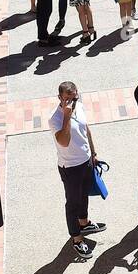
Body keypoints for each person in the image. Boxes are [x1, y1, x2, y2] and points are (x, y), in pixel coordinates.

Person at [49, 81, 105, 259]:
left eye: (74, 98)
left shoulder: (79, 106)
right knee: (72, 203)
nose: (72, 102)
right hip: (70, 167)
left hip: (86, 161)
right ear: (60, 98)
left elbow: (86, 130)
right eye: (67, 99)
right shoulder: (55, 119)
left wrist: (93, 152)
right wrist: (66, 116)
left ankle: (84, 222)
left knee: (84, 194)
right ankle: (76, 238)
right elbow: (64, 141)